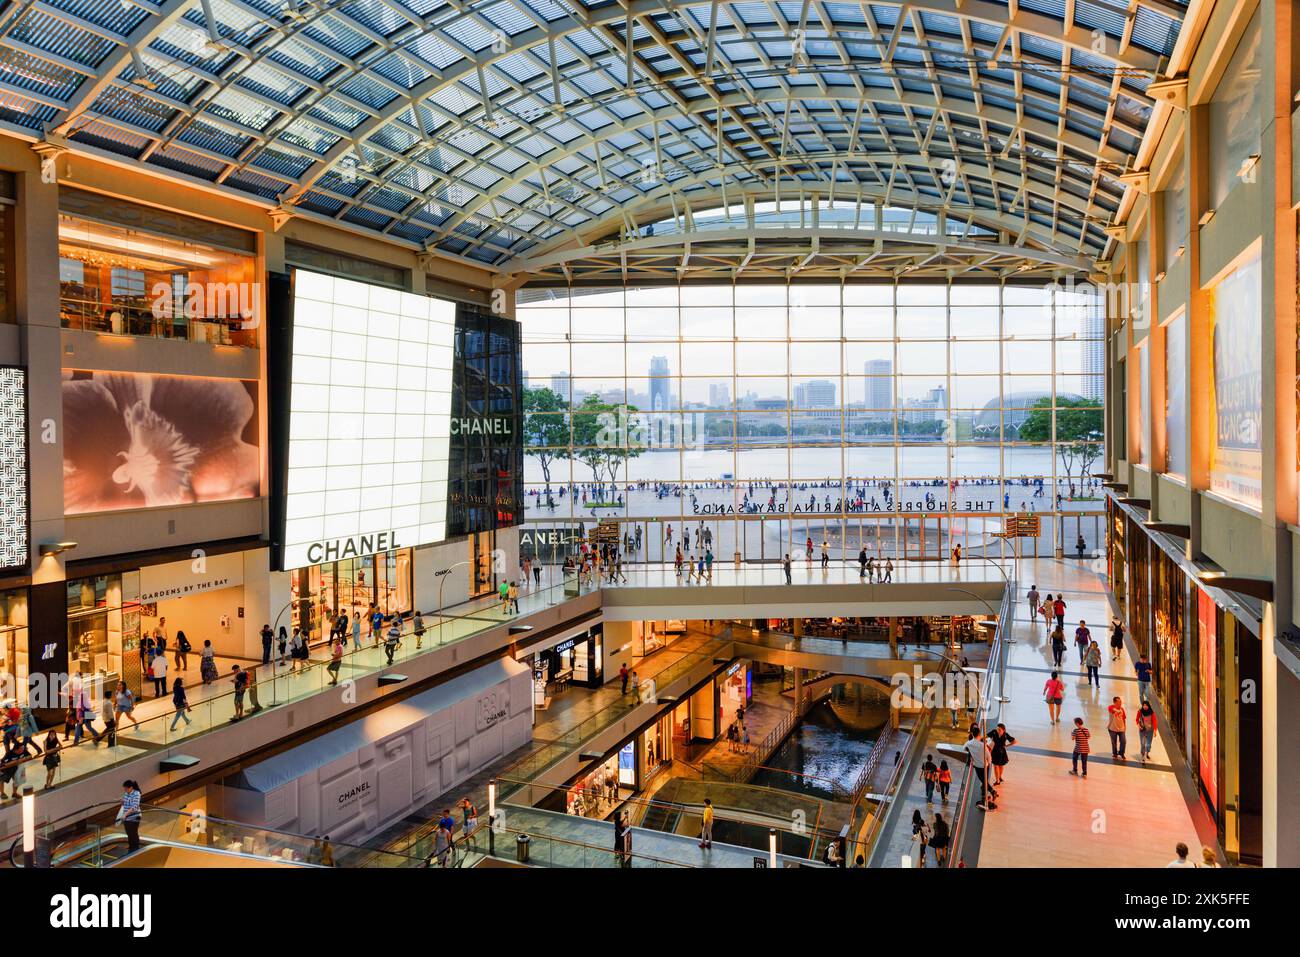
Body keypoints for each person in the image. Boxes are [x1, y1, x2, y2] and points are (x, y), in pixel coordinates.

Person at [965, 727, 996, 809]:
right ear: (979, 734)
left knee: (983, 781)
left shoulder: (968, 743)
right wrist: (989, 763)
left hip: (977, 765)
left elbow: (964, 749)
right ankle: (991, 793)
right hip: (985, 766)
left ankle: (989, 794)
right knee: (984, 781)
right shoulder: (982, 745)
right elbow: (989, 757)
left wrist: (972, 754)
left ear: (972, 734)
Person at [118, 780, 142, 852]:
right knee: (129, 833)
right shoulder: (126, 793)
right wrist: (122, 802)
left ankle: (136, 848)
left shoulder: (136, 794)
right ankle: (131, 847)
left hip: (134, 816)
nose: (125, 790)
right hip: (127, 817)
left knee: (133, 833)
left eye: (126, 788)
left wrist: (125, 814)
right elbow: (126, 803)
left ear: (131, 788)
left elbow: (134, 807)